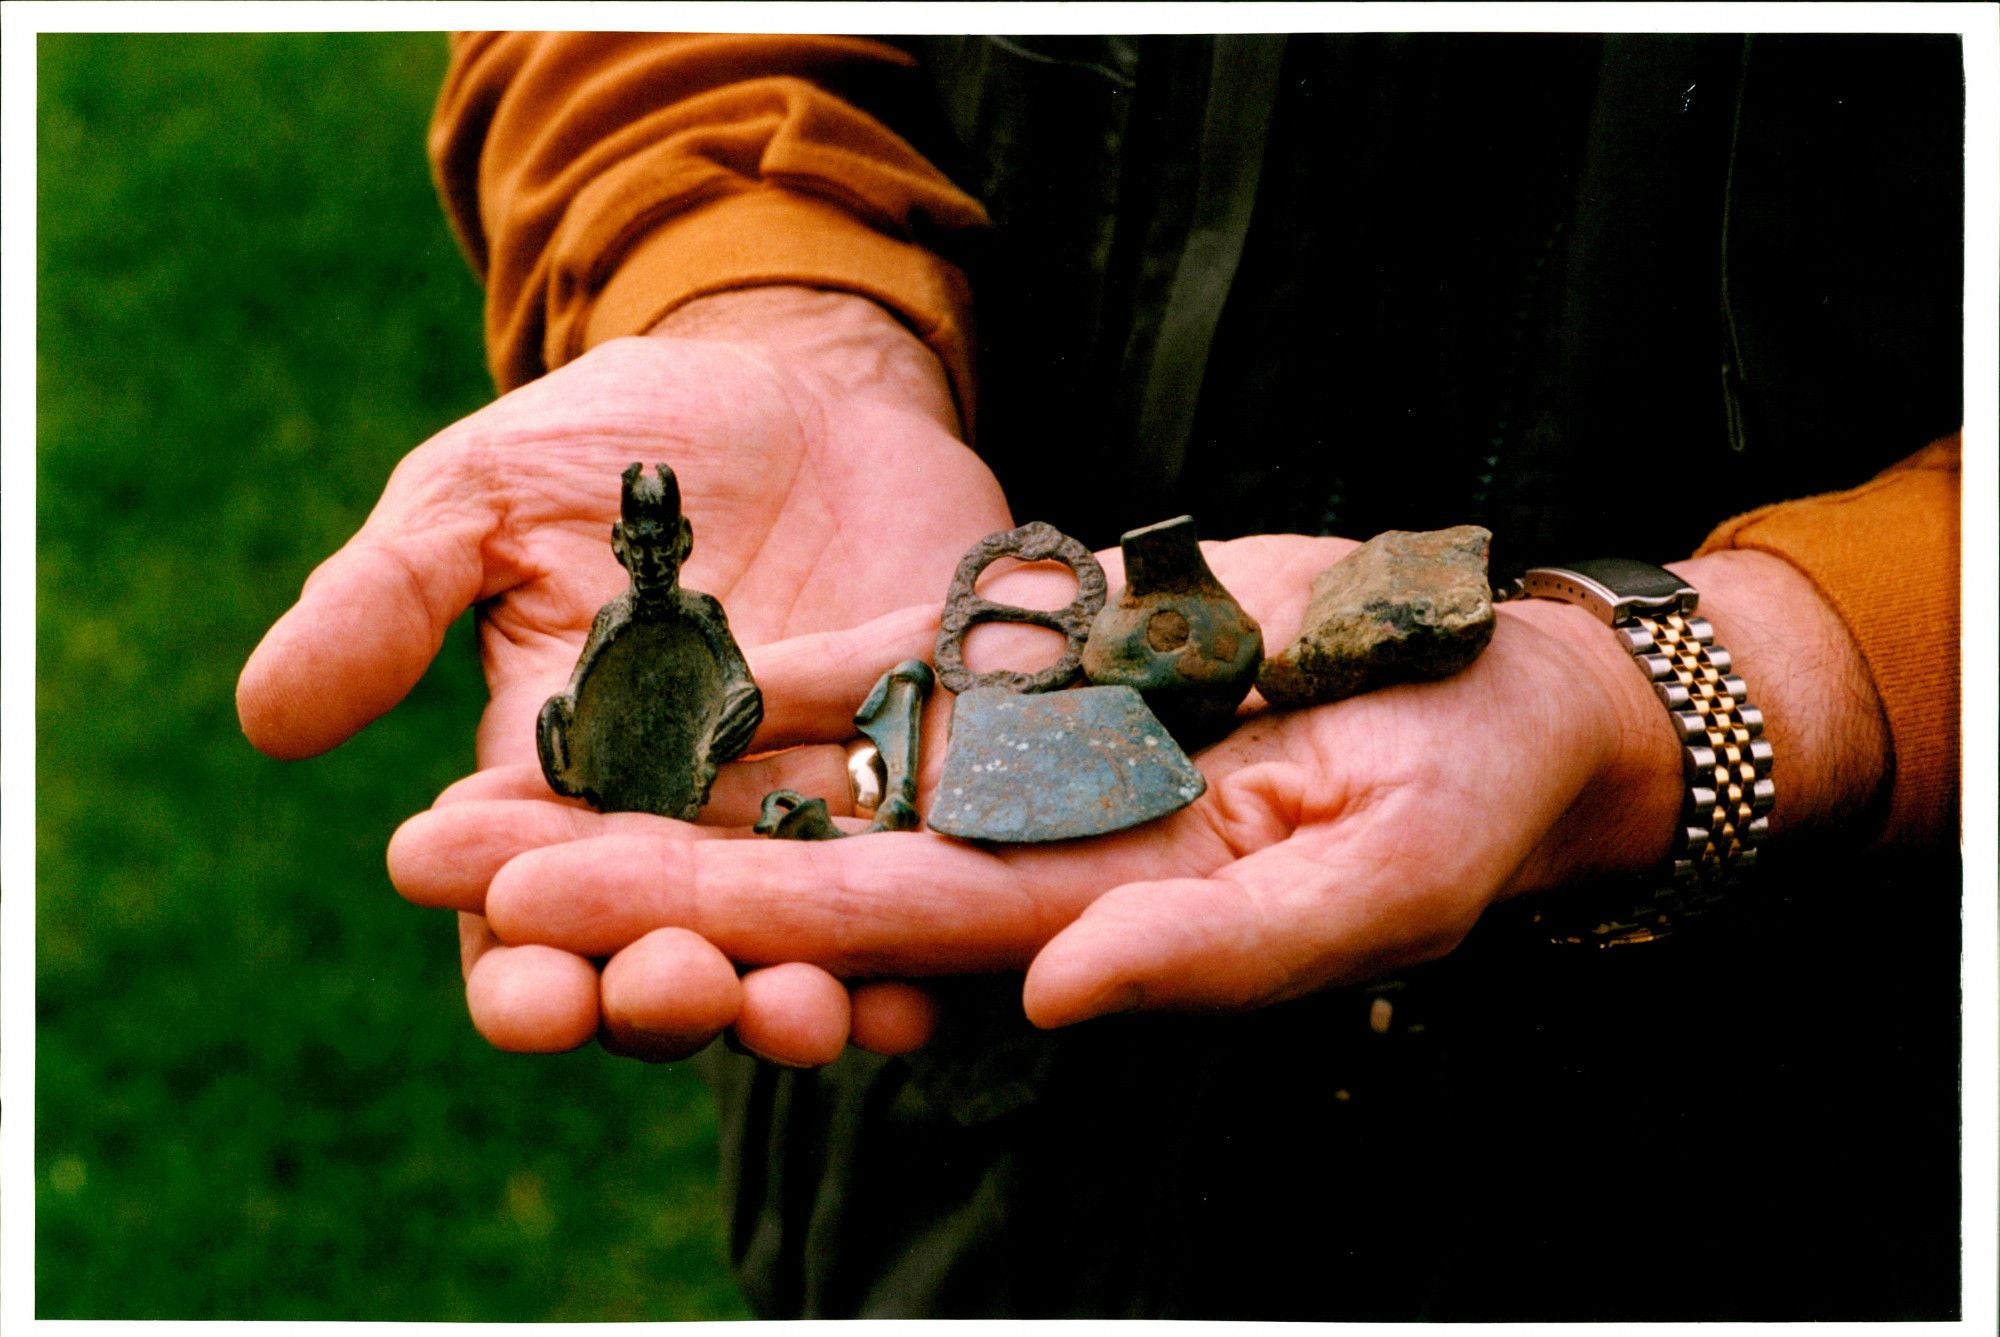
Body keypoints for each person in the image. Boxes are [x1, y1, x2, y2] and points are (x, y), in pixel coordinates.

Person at [237, 31, 1963, 1319]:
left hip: (1803, 1165)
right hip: (973, 1162)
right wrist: (763, 295)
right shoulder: (878, 679)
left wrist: (1784, 669)